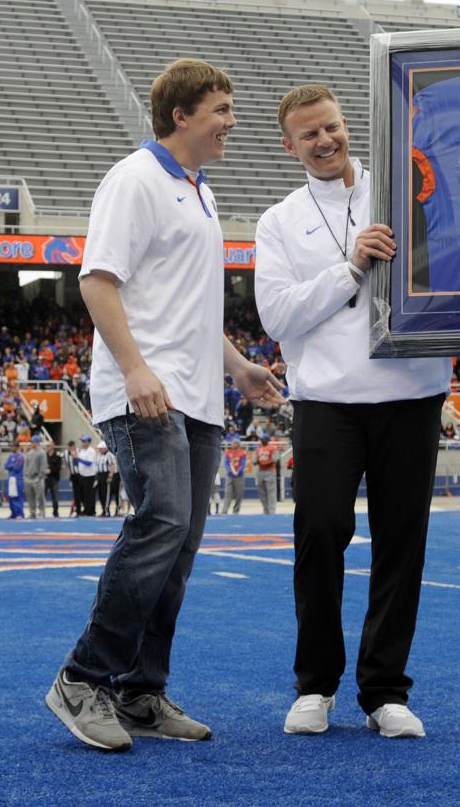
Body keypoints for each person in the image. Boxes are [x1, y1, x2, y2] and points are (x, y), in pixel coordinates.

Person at [254, 83, 460, 740]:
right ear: (288, 144)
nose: (325, 141)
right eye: (309, 134)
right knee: (319, 537)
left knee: (402, 545)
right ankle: (314, 686)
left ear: (347, 124)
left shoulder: (414, 189)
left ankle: (385, 691)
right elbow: (276, 315)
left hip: (412, 395)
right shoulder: (279, 220)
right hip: (326, 400)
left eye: (332, 127)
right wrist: (349, 268)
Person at [45, 58, 284, 752]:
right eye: (222, 109)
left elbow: (186, 308)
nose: (231, 122)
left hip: (199, 392)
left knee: (179, 545)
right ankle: (83, 678)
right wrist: (136, 369)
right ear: (182, 115)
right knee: (162, 523)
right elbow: (97, 281)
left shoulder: (199, 192)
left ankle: (141, 692)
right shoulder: (136, 178)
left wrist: (237, 367)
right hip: (146, 390)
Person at [254, 431, 280, 514]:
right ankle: (265, 509)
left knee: (271, 491)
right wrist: (257, 461)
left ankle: (272, 510)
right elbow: (255, 460)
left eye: (263, 439)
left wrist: (265, 463)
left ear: (267, 439)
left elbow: (275, 459)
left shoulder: (273, 448)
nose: (262, 440)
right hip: (260, 471)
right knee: (261, 492)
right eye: (261, 439)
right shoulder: (258, 448)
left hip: (270, 471)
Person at [73, 433, 98, 516]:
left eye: (84, 441)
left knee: (88, 494)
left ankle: (89, 510)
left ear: (88, 442)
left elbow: (89, 463)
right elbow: (78, 463)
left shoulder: (91, 451)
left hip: (89, 475)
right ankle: (86, 509)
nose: (82, 443)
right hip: (82, 475)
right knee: (82, 494)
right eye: (82, 441)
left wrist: (78, 459)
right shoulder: (82, 451)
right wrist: (75, 459)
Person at [23, 436, 47, 520]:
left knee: (40, 496)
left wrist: (40, 476)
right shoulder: (29, 452)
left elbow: (43, 465)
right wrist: (25, 475)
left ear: (37, 442)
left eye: (33, 442)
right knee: (30, 497)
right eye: (31, 442)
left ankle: (41, 511)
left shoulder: (42, 453)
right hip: (28, 478)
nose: (31, 443)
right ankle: (32, 512)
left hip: (37, 478)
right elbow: (26, 465)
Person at [223, 433, 247, 515]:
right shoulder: (228, 452)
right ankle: (225, 510)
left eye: (236, 442)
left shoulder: (242, 453)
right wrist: (230, 471)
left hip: (239, 476)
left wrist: (238, 471)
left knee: (239, 494)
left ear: (239, 443)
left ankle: (236, 510)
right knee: (227, 493)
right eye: (233, 442)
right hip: (230, 476)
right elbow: (226, 464)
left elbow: (243, 464)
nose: (234, 444)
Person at [4, 443, 26, 519]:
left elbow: (17, 467)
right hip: (11, 478)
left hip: (18, 479)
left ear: (17, 447)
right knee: (11, 497)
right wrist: (12, 465)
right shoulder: (10, 456)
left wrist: (11, 465)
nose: (11, 448)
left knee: (18, 496)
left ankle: (19, 513)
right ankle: (13, 513)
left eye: (13, 446)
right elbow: (6, 466)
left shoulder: (21, 457)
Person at [95, 441, 113, 516]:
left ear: (105, 448)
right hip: (99, 475)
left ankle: (107, 510)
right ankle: (103, 509)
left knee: (106, 493)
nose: (99, 450)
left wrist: (110, 476)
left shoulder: (109, 455)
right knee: (100, 493)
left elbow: (112, 465)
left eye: (101, 448)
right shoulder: (99, 455)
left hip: (106, 475)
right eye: (99, 448)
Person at [44, 441, 62, 517]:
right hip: (45, 478)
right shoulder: (44, 456)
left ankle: (55, 512)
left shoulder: (57, 456)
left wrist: (50, 470)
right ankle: (42, 511)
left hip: (54, 478)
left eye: (49, 446)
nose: (47, 447)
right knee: (42, 496)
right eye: (47, 446)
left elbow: (58, 467)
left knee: (55, 497)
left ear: (53, 446)